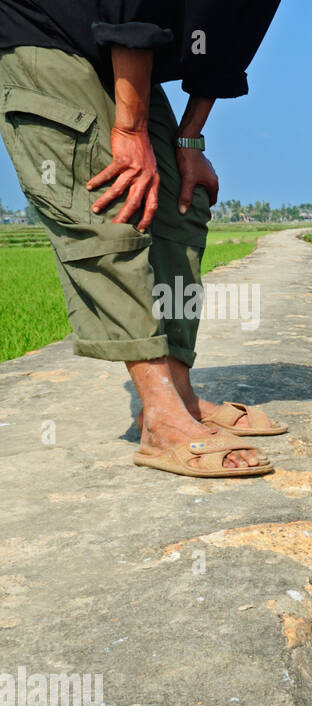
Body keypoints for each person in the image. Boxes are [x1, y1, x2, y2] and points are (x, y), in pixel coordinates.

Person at [0, 0, 282, 477]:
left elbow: (228, 43)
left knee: (181, 206)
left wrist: (189, 141)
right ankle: (159, 418)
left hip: (126, 46)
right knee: (113, 204)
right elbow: (133, 6)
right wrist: (128, 130)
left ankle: (181, 396)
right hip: (45, 29)